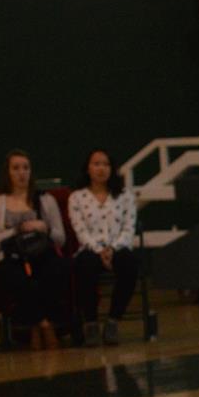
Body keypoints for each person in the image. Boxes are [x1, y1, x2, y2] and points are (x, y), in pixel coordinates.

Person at [0, 149, 72, 349]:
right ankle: (43, 324)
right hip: (12, 255)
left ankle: (36, 326)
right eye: (16, 168)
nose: (21, 173)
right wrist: (18, 229)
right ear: (7, 172)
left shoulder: (46, 200)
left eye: (25, 168)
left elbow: (60, 238)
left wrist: (44, 227)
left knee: (56, 270)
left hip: (42, 251)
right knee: (17, 277)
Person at [68, 147, 139, 345]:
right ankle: (90, 323)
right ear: (88, 168)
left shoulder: (125, 195)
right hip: (91, 249)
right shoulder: (76, 197)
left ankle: (113, 320)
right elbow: (80, 230)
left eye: (106, 164)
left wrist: (112, 249)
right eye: (96, 164)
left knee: (130, 265)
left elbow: (129, 228)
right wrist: (99, 251)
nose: (101, 169)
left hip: (118, 247)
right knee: (84, 266)